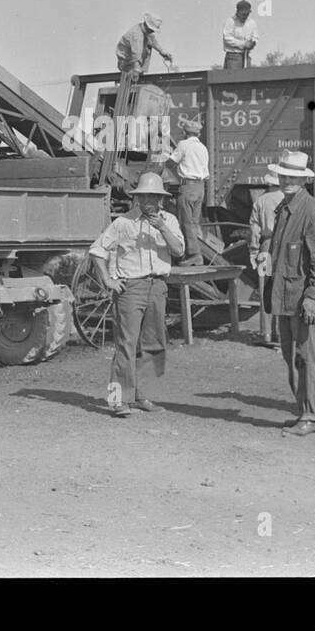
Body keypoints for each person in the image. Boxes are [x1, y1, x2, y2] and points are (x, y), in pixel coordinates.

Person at [88, 172, 185, 417]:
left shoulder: (169, 221)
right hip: (131, 288)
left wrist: (162, 227)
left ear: (161, 198)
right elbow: (97, 251)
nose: (149, 201)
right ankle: (116, 401)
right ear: (137, 198)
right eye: (144, 196)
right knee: (126, 345)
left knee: (153, 344)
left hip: (158, 287)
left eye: (153, 196)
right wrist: (109, 280)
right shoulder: (123, 222)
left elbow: (179, 251)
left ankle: (141, 396)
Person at [256, 151, 315, 437]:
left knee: (308, 357)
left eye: (294, 177)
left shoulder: (311, 211)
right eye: (284, 175)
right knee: (294, 358)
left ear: (303, 180)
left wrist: (314, 297)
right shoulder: (285, 207)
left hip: (302, 299)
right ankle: (304, 411)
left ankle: (313, 415)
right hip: (285, 297)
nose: (287, 180)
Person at [248, 172, 285, 344]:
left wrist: (253, 251)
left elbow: (254, 230)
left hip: (266, 247)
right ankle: (280, 332)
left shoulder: (260, 201)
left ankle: (266, 333)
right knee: (281, 287)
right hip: (285, 248)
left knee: (265, 289)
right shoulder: (289, 198)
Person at [167, 115, 209, 265]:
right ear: (197, 134)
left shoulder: (184, 144)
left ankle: (194, 255)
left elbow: (171, 162)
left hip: (188, 187)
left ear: (185, 133)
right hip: (200, 188)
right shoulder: (203, 148)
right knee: (193, 222)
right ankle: (193, 254)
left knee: (186, 222)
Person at [116, 12, 173, 79]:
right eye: (152, 30)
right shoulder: (137, 35)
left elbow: (152, 41)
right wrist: (136, 69)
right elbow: (136, 53)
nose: (153, 31)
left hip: (133, 62)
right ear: (148, 26)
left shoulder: (145, 31)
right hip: (127, 63)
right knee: (132, 82)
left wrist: (163, 52)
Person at [222, 0, 259, 69]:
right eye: (243, 14)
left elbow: (255, 37)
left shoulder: (252, 23)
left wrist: (252, 43)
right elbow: (227, 38)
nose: (245, 16)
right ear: (238, 12)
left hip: (246, 55)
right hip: (233, 57)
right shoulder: (230, 22)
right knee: (234, 78)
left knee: (248, 78)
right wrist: (243, 44)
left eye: (247, 14)